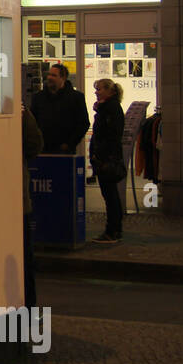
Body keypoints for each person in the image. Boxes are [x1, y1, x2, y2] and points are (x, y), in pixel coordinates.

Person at [90, 78, 126, 244]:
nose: (97, 92)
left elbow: (110, 136)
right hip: (106, 158)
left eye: (100, 89)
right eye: (96, 89)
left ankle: (113, 230)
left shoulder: (110, 109)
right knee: (111, 195)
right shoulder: (108, 109)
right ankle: (114, 229)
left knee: (110, 195)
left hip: (107, 160)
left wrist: (100, 155)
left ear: (110, 91)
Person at [30, 63, 90, 154]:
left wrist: (69, 144)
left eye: (54, 75)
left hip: (65, 151)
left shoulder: (76, 98)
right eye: (49, 74)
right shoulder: (39, 97)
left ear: (63, 78)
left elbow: (83, 123)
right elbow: (33, 122)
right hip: (42, 149)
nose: (49, 78)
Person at [21, 104, 44, 308]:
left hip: (16, 199)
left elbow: (34, 145)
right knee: (24, 258)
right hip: (17, 200)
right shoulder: (21, 111)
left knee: (24, 258)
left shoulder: (20, 112)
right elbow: (34, 146)